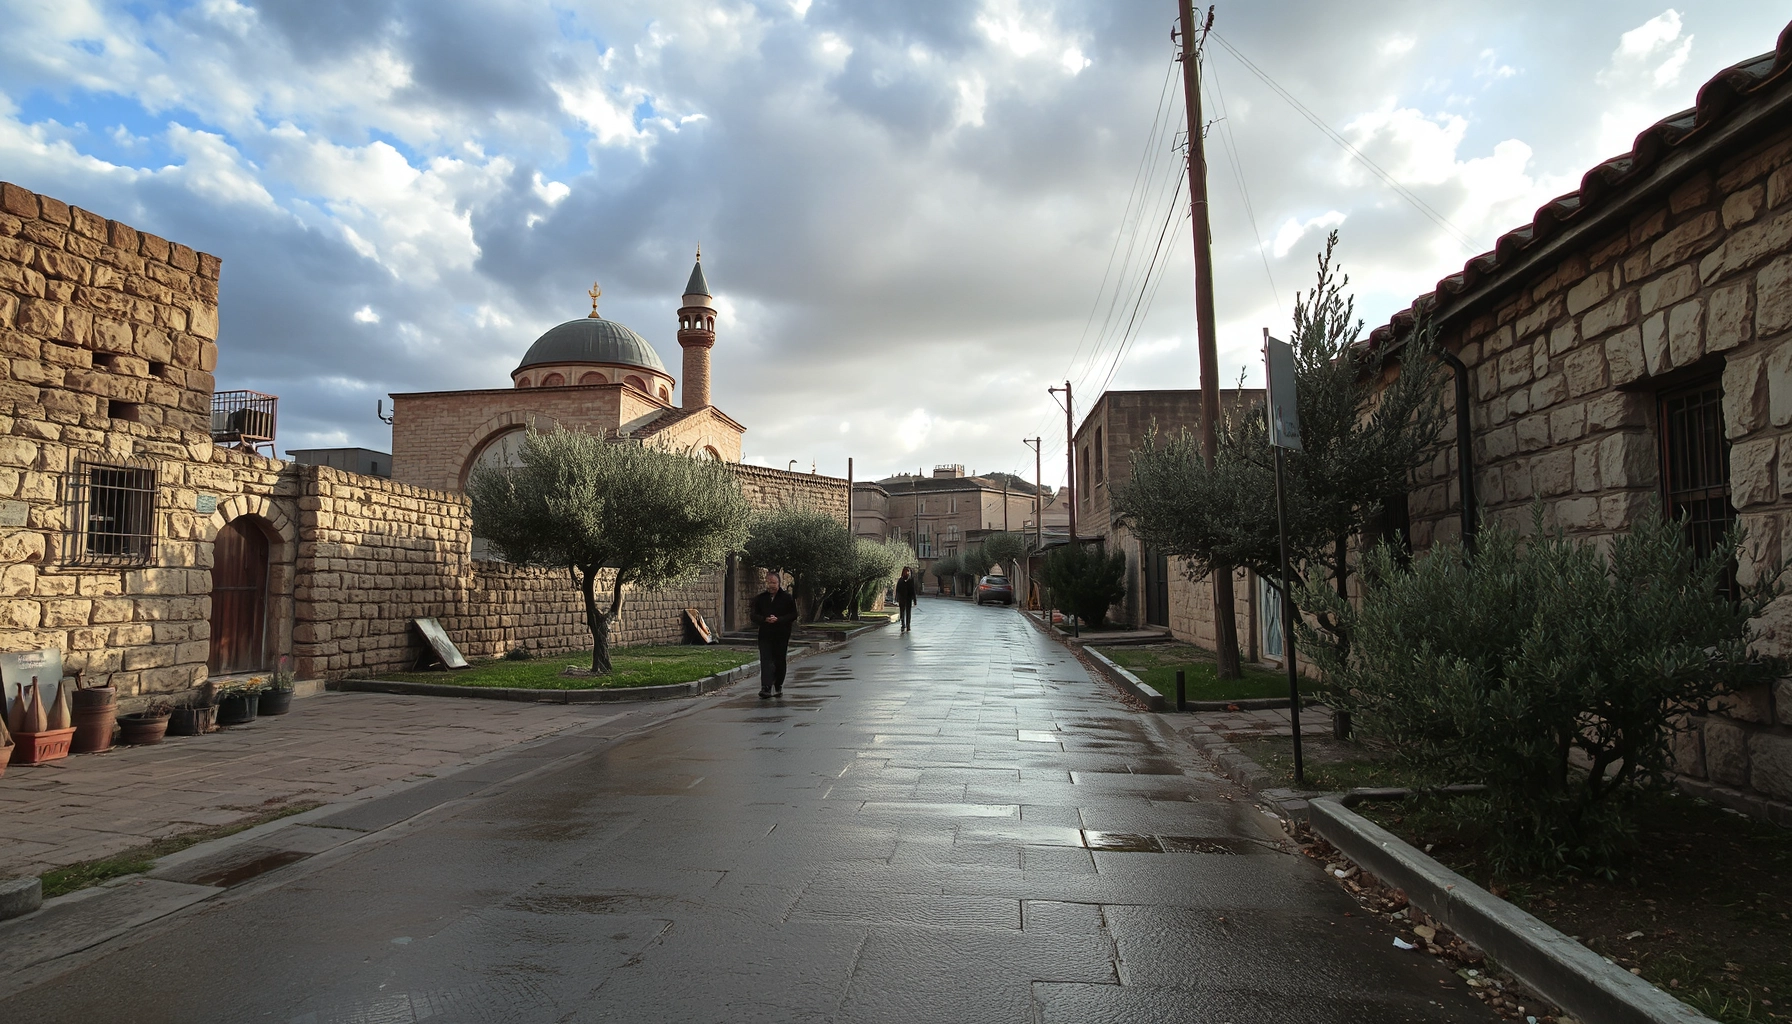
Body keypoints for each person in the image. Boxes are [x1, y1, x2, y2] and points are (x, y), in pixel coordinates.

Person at [750, 570, 799, 697]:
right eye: (768, 582)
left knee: (779, 660)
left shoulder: (787, 598)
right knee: (766, 660)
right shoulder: (761, 598)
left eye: (773, 583)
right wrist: (764, 619)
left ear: (779, 583)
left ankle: (778, 685)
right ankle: (766, 687)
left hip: (781, 634)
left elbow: (793, 614)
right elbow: (753, 615)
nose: (771, 585)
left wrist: (779, 619)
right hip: (765, 634)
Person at [895, 566, 918, 633]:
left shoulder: (911, 580)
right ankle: (903, 624)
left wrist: (914, 600)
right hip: (902, 598)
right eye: (905, 571)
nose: (907, 572)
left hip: (908, 598)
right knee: (902, 612)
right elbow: (897, 590)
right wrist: (897, 598)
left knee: (908, 612)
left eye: (908, 571)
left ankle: (908, 625)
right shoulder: (900, 580)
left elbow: (913, 590)